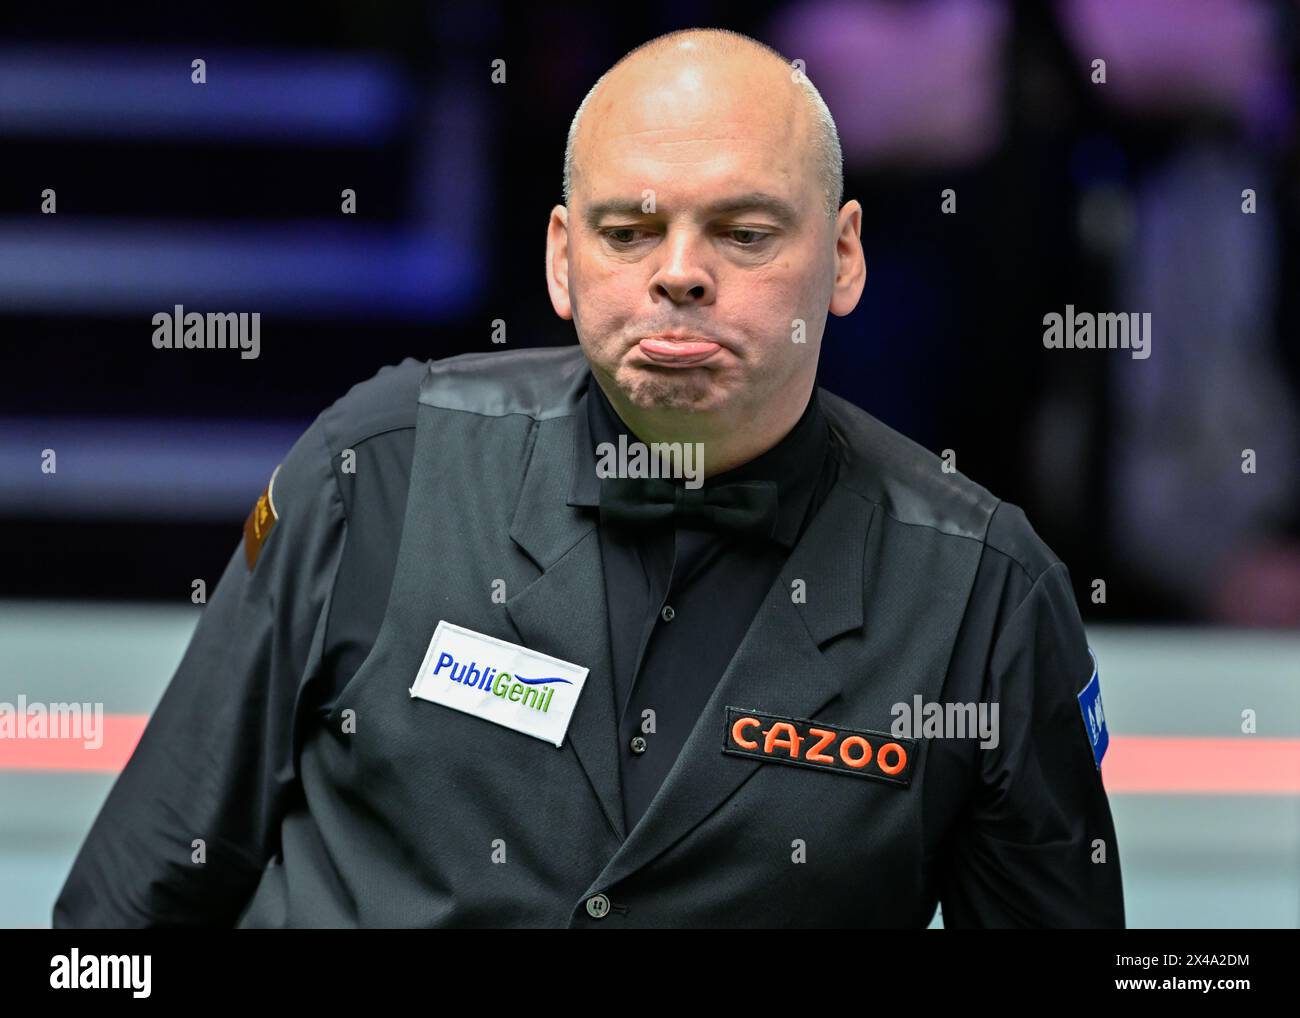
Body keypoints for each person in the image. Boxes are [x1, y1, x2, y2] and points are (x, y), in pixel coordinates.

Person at [53, 27, 1124, 928]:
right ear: (563, 259)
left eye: (745, 232)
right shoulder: (377, 469)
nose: (679, 271)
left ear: (843, 258)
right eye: (630, 229)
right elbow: (124, 918)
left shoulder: (983, 593)